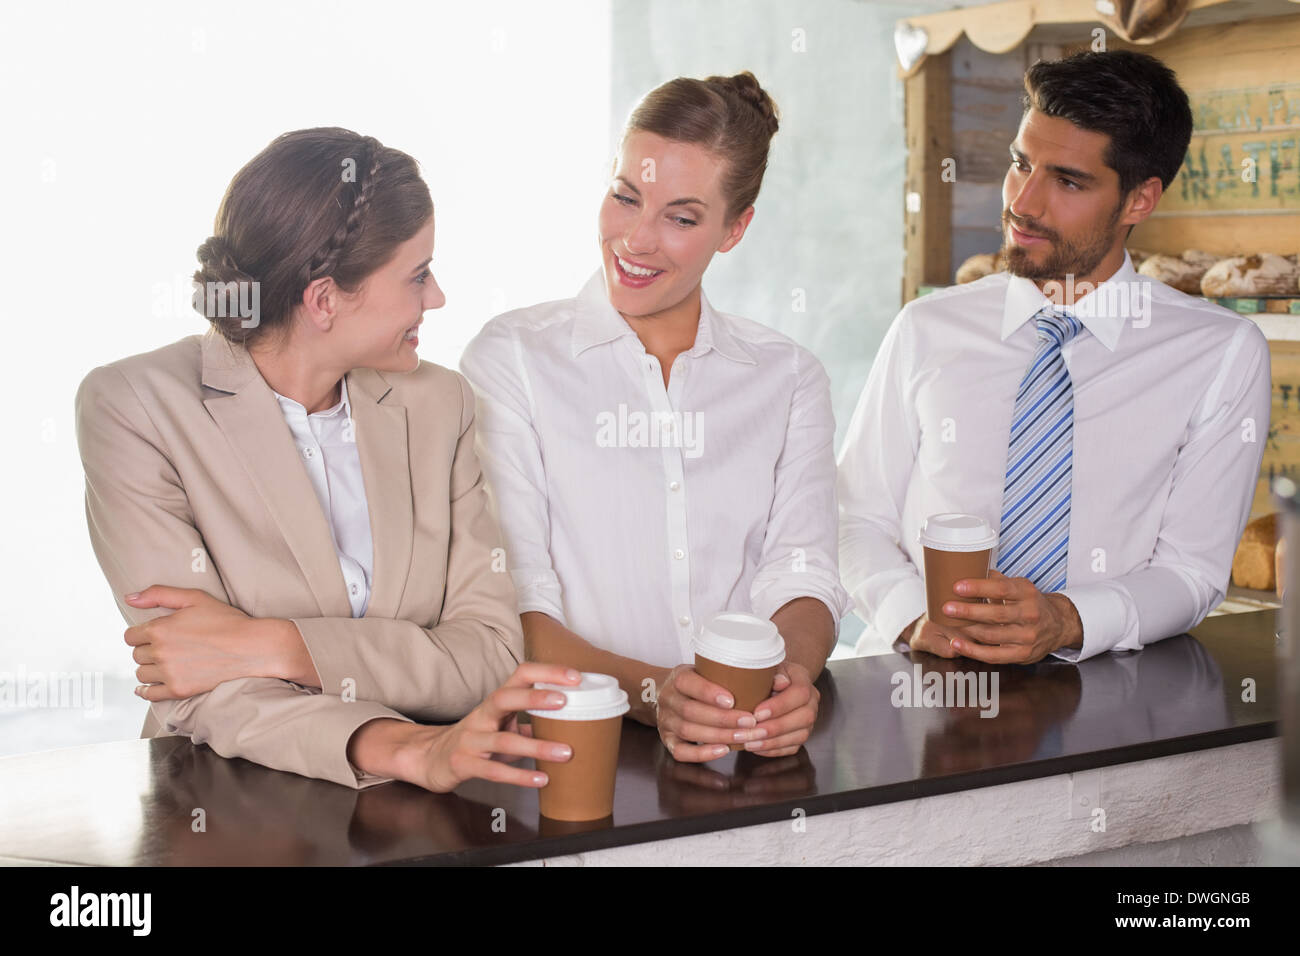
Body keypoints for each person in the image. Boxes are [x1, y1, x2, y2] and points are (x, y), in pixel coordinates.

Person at [75, 127, 580, 792]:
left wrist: (278, 646)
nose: (436, 298)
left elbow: (488, 654)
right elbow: (195, 685)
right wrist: (404, 747)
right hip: (227, 816)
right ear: (324, 300)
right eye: (418, 275)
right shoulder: (136, 407)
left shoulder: (439, 404)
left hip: (432, 808)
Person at [460, 73, 851, 763]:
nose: (635, 240)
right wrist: (652, 693)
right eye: (625, 198)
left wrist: (791, 679)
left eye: (681, 217)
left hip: (745, 759)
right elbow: (512, 600)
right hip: (569, 756)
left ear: (735, 229)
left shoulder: (788, 378)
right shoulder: (513, 359)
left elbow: (802, 575)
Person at [838, 50, 1271, 664]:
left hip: (1098, 708)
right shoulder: (927, 327)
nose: (1024, 203)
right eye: (1020, 164)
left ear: (1139, 200)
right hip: (907, 687)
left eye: (1067, 180)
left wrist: (1066, 620)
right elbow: (856, 517)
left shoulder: (1219, 353)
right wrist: (910, 616)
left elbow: (1192, 573)